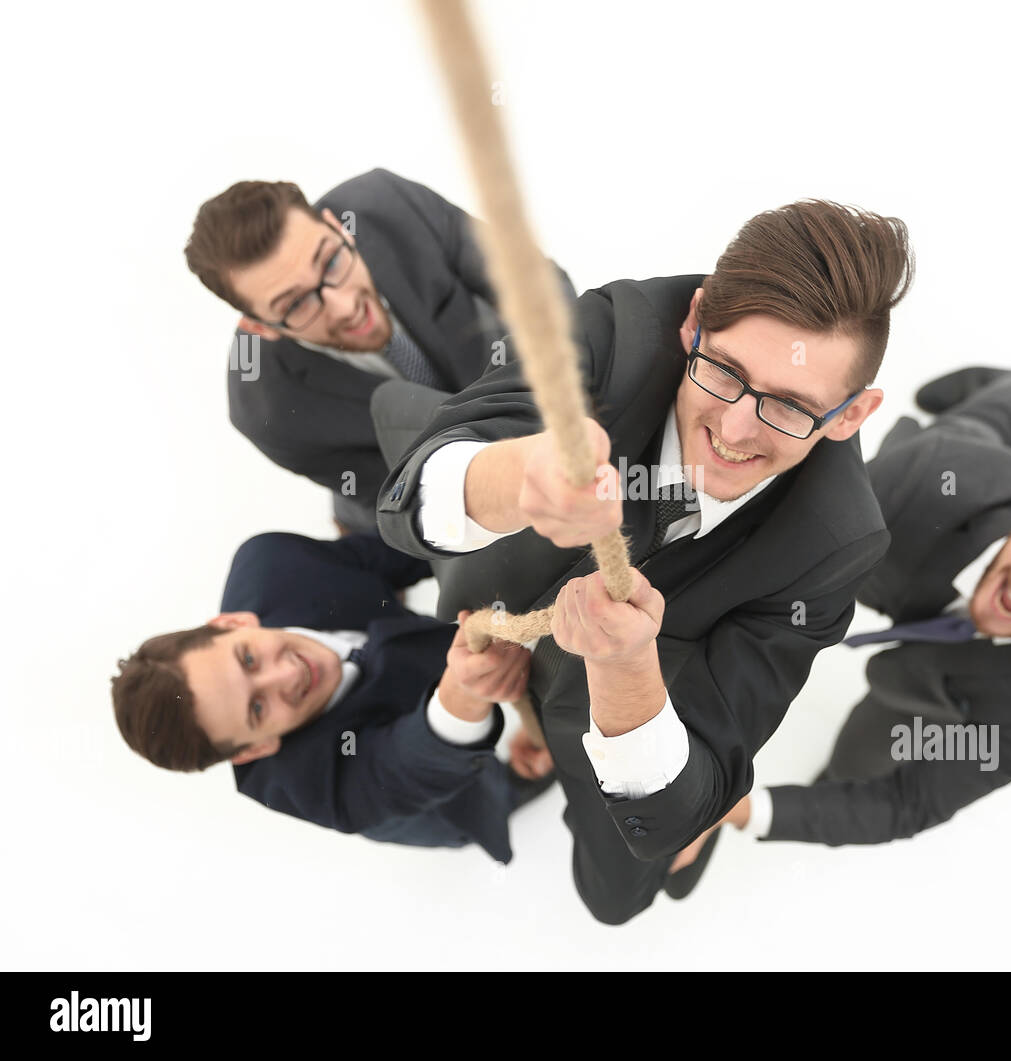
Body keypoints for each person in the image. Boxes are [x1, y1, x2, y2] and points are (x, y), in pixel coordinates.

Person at [374, 196, 914, 923]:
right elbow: (410, 496)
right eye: (722, 370)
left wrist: (628, 673)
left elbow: (689, 783)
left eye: (789, 407)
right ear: (693, 321)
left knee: (615, 896)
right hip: (494, 600)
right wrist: (518, 482)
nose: (732, 428)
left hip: (634, 719)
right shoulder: (616, 332)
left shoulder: (835, 543)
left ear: (850, 415)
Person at [713, 367, 1011, 850]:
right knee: (998, 415)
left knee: (858, 765)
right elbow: (760, 570)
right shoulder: (928, 476)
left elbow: (907, 802)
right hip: (943, 494)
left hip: (934, 687)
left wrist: (743, 812)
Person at [110, 531, 550, 862]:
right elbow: (403, 768)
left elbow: (408, 548)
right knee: (460, 808)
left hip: (404, 642)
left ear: (233, 624)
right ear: (258, 747)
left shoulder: (272, 563)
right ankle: (514, 786)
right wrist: (463, 698)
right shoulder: (299, 784)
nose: (288, 673)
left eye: (248, 659)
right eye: (258, 708)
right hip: (388, 780)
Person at [183, 169, 575, 532]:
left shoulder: (389, 205)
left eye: (331, 260)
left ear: (337, 225)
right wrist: (509, 481)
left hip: (517, 388)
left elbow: (540, 291)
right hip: (402, 488)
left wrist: (555, 421)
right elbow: (402, 502)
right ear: (259, 328)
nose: (344, 306)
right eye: (296, 305)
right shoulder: (266, 413)